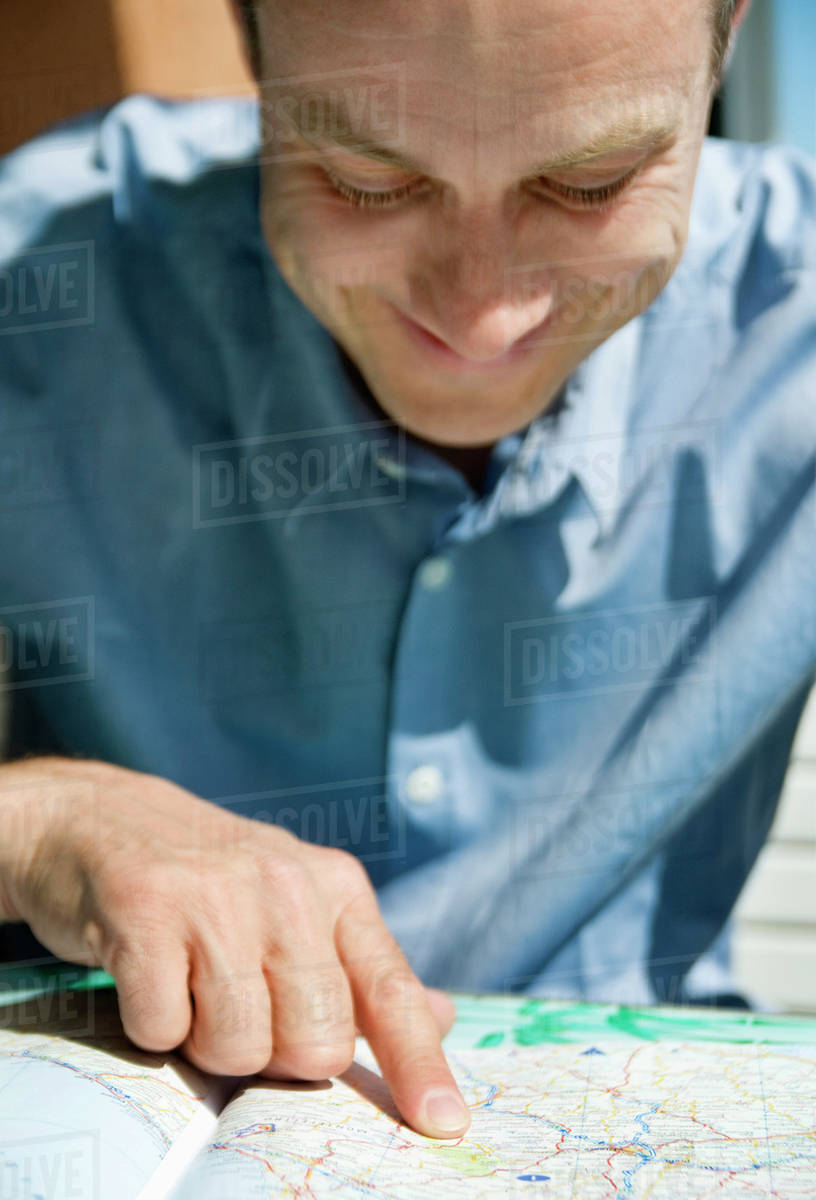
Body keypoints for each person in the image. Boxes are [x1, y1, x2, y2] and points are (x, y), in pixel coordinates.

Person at [0, 0, 813, 1139]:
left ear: (727, 44)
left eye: (593, 184)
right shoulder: (33, 278)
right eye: (365, 181)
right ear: (248, 38)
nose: (481, 319)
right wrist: (43, 817)